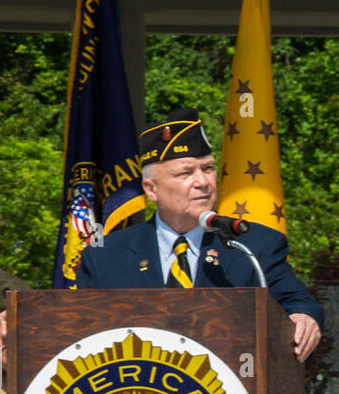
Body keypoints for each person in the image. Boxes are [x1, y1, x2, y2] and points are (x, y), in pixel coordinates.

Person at [77, 107, 323, 361]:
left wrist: (303, 317)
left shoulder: (253, 245)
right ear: (151, 190)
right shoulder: (106, 256)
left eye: (208, 169)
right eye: (185, 173)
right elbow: (78, 328)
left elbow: (296, 302)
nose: (203, 182)